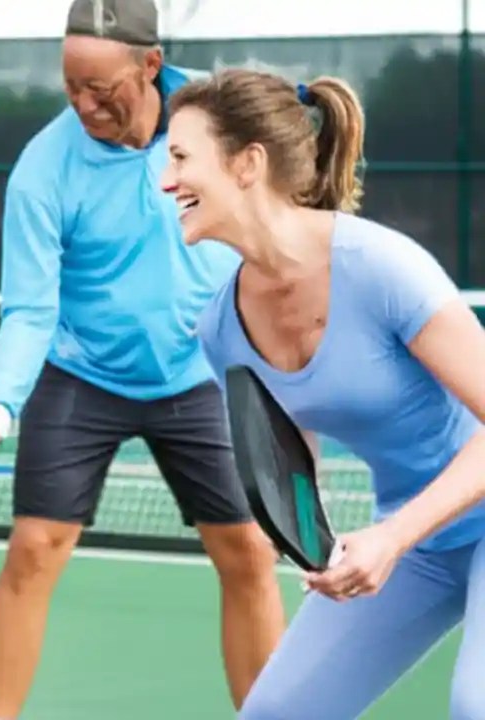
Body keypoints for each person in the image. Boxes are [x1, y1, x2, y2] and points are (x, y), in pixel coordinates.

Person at [0, 1, 286, 717]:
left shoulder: (220, 114)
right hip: (83, 376)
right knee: (35, 549)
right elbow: (29, 310)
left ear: (149, 65)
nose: (84, 104)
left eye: (100, 88)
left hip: (203, 375)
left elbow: (288, 182)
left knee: (250, 554)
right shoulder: (43, 170)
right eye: (70, 86)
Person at [164, 66, 485, 720]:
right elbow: (290, 465)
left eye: (180, 158)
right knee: (275, 712)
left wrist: (392, 538)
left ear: (247, 163)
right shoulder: (220, 327)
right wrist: (322, 549)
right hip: (418, 543)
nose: (167, 181)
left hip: (423, 529)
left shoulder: (381, 269)